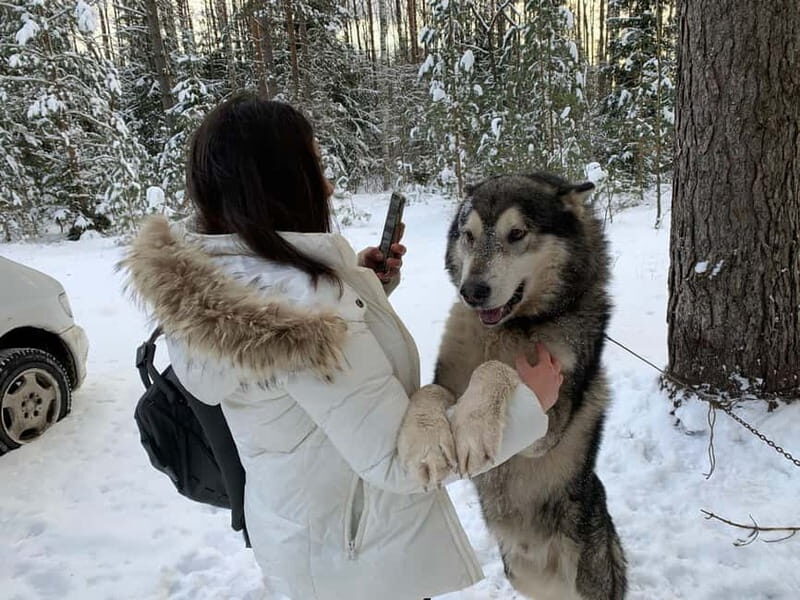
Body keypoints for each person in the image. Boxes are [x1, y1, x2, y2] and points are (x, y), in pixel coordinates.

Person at [122, 94, 562, 600]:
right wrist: (528, 401)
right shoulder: (308, 314)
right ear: (282, 182)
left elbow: (302, 389)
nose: (327, 184)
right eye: (316, 165)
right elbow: (405, 462)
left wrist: (361, 288)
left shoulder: (217, 283)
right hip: (360, 567)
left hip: (302, 541)